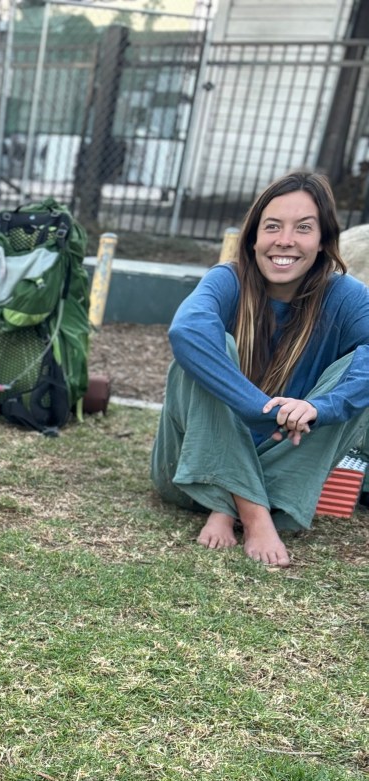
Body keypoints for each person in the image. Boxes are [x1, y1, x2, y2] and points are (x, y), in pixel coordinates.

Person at [151, 168, 369, 568]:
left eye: (303, 228)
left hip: (282, 483)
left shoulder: (346, 296)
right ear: (253, 238)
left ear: (323, 240)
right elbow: (186, 330)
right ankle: (250, 511)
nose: (285, 240)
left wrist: (321, 407)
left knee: (356, 376)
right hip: (189, 478)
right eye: (272, 226)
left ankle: (228, 504)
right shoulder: (228, 280)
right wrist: (255, 407)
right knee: (205, 351)